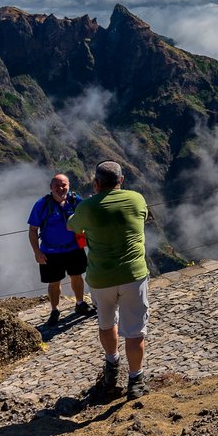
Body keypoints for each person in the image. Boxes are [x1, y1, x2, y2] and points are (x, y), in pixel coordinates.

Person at [68, 160, 150, 401]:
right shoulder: (136, 199)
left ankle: (111, 366)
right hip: (133, 275)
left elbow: (72, 226)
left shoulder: (86, 207)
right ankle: (136, 380)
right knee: (134, 332)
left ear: (96, 183)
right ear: (121, 181)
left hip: (100, 278)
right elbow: (142, 219)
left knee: (106, 324)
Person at [27, 173, 91, 327]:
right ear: (51, 187)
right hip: (50, 252)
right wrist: (37, 252)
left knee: (77, 276)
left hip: (74, 248)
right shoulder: (41, 205)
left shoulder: (75, 201)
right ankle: (55, 310)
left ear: (69, 186)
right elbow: (33, 230)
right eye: (57, 185)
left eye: (64, 185)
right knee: (54, 282)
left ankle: (80, 303)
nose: (61, 188)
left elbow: (87, 222)